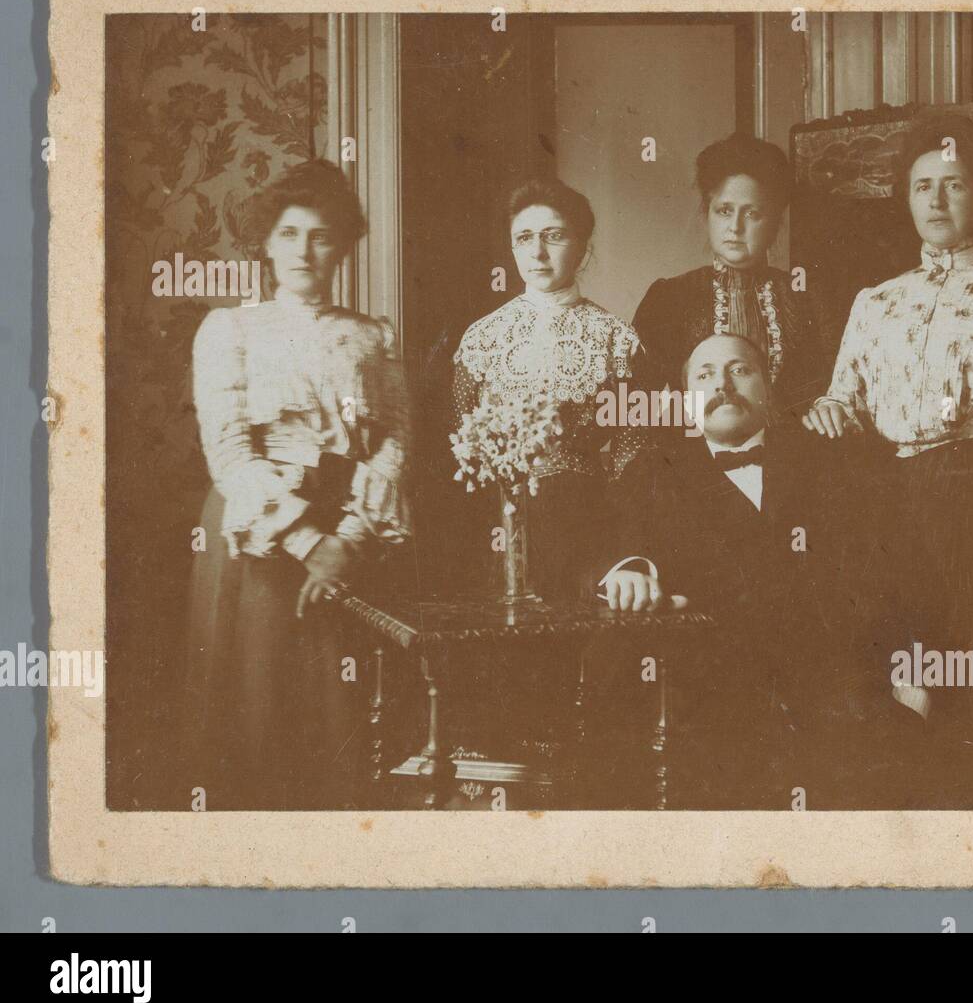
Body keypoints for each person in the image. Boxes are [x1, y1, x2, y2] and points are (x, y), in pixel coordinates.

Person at [803, 113, 973, 806]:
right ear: (904, 196)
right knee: (902, 671)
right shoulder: (876, 301)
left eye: (953, 184)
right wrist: (827, 410)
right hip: (890, 500)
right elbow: (847, 402)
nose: (935, 201)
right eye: (922, 185)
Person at [185, 159, 410, 810]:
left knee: (342, 711)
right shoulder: (230, 329)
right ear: (267, 241)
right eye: (289, 233)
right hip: (260, 530)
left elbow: (394, 439)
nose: (304, 250)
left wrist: (349, 537)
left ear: (341, 244)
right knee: (258, 707)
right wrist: (308, 540)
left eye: (319, 235)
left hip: (350, 531)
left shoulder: (371, 336)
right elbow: (228, 448)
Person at [600, 333, 896, 809]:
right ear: (685, 400)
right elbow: (618, 542)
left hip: (836, 685)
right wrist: (629, 570)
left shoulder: (829, 458)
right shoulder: (654, 472)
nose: (722, 383)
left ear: (767, 387)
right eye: (704, 375)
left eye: (739, 370)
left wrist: (910, 677)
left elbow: (885, 569)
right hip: (714, 696)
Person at [451, 176, 644, 598]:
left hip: (587, 520)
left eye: (553, 236)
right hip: (497, 520)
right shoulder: (482, 338)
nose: (537, 252)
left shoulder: (615, 339)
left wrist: (620, 544)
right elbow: (462, 440)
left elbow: (631, 448)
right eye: (523, 238)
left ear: (582, 245)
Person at [633, 134, 834, 422]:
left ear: (775, 224)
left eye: (752, 213)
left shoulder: (807, 298)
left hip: (792, 456)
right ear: (708, 214)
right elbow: (638, 406)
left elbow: (833, 390)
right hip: (692, 458)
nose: (735, 227)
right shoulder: (670, 298)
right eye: (724, 211)